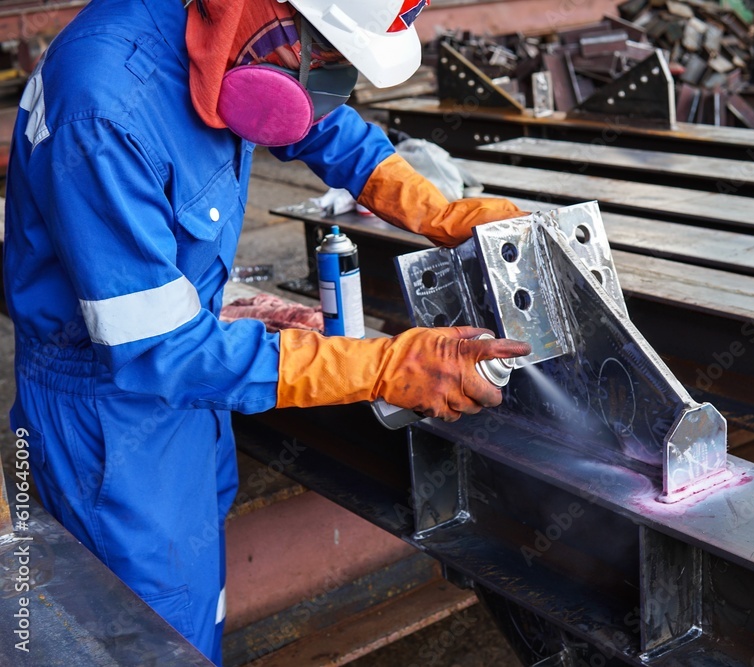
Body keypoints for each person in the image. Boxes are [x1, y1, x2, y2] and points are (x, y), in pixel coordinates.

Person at [2, 0, 531, 663]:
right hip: (110, 427)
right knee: (151, 641)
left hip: (187, 404)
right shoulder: (106, 112)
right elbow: (160, 353)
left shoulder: (230, 34)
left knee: (196, 602)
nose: (323, 81)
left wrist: (432, 207)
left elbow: (307, 118)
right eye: (323, 57)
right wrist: (382, 367)